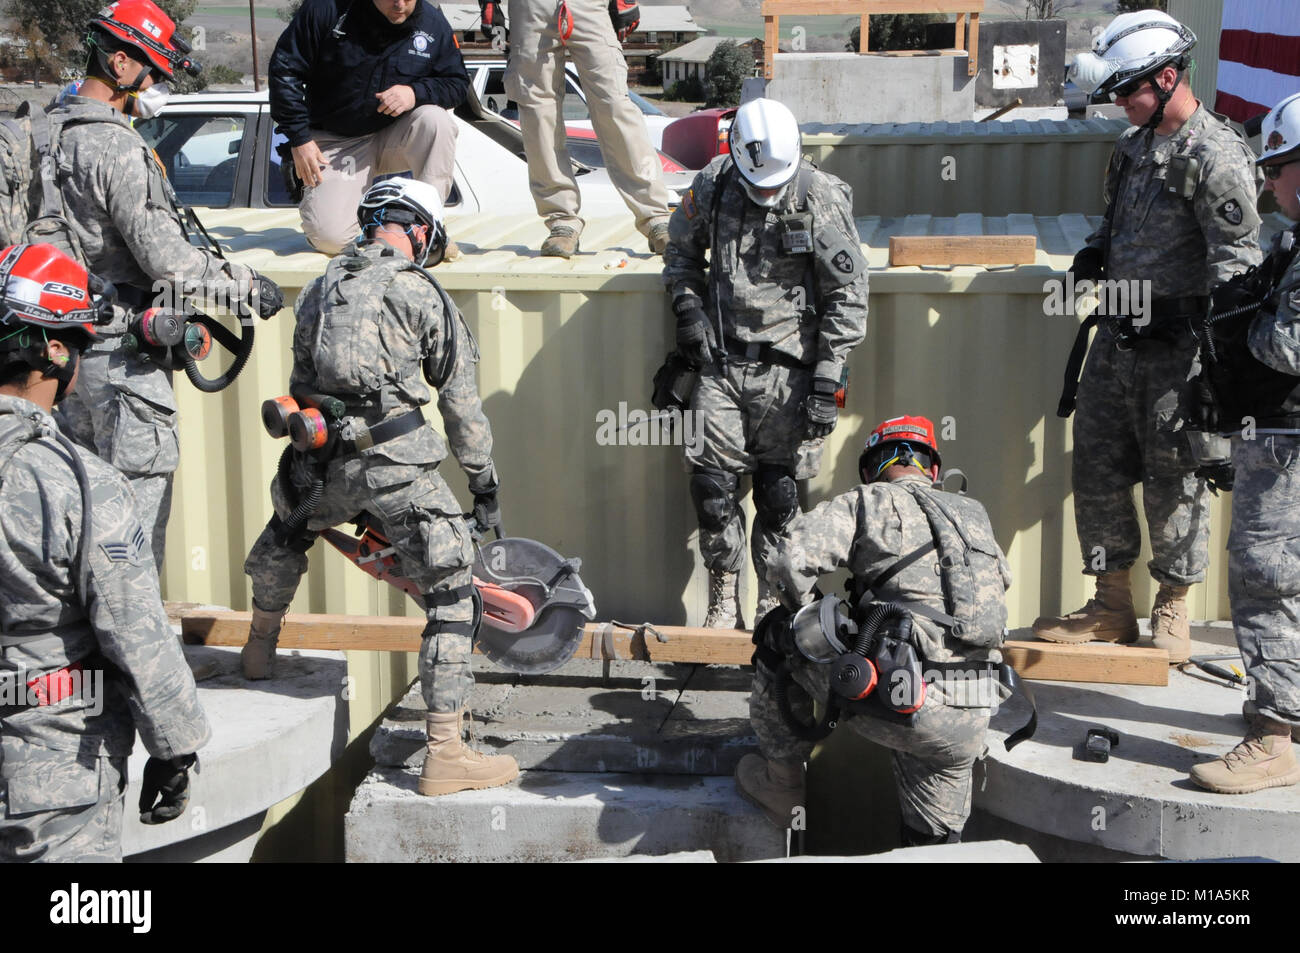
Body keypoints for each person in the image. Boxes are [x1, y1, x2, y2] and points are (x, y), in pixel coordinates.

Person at [241, 177, 517, 797]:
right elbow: (462, 407)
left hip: (321, 460)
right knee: (451, 593)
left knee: (286, 534)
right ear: (418, 230)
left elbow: (299, 385)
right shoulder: (421, 292)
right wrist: (483, 483)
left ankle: (258, 651)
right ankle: (445, 753)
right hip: (397, 470)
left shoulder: (318, 286)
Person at [1035, 11, 1262, 664]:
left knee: (1175, 482)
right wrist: (1095, 253)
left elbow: (1238, 277)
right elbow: (1119, 220)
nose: (1117, 104)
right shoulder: (1134, 143)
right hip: (1118, 340)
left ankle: (1173, 605)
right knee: (1098, 471)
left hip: (1180, 356)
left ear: (1168, 77)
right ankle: (1110, 601)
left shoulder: (1215, 157)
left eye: (1126, 90)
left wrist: (1219, 375)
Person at [49, 0, 282, 574]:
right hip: (119, 361)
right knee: (130, 539)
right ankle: (136, 661)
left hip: (52, 361)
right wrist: (247, 285)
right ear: (122, 64)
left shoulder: (40, 134)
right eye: (152, 71)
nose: (155, 86)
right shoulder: (118, 147)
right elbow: (170, 264)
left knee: (70, 523)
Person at [0, 243, 209, 862]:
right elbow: (135, 632)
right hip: (50, 772)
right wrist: (175, 748)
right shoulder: (78, 483)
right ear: (54, 351)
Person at [740, 415, 1013, 845]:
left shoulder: (868, 501)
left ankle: (782, 786)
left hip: (905, 705)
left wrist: (807, 613)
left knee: (777, 636)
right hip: (977, 710)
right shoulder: (974, 514)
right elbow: (1003, 582)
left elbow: (785, 563)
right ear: (933, 471)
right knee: (933, 842)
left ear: (870, 470)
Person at [661, 97, 868, 629]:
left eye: (775, 184)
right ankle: (723, 594)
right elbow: (680, 254)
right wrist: (687, 309)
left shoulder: (819, 196)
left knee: (779, 496)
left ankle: (773, 604)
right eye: (759, 184)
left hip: (792, 376)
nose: (767, 194)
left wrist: (827, 378)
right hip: (722, 368)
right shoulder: (715, 183)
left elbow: (848, 293)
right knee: (711, 490)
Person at [1188, 92, 1300, 794]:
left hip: (1286, 438)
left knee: (1265, 574)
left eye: (1279, 168)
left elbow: (1289, 343)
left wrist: (1240, 330)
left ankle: (1273, 733)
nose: (1267, 182)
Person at [270, 0, 470, 256]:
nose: (399, 4)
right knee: (330, 239)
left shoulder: (432, 23)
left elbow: (457, 83)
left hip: (394, 136)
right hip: (339, 141)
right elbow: (284, 72)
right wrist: (299, 138)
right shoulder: (326, 10)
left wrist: (414, 93)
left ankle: (428, 228)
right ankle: (385, 230)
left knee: (436, 121)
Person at [497, 0, 674, 257]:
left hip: (588, 5)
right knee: (538, 112)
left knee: (614, 105)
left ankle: (655, 217)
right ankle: (562, 221)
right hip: (530, 8)